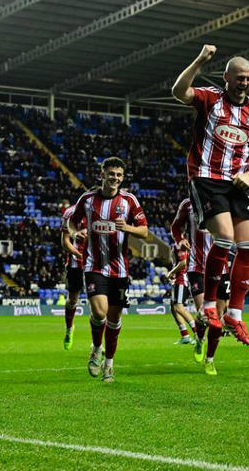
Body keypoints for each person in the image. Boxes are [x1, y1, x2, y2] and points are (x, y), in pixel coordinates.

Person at [172, 45, 249, 376]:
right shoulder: (210, 98)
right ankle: (211, 309)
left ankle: (234, 314)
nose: (244, 83)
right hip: (206, 178)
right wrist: (200, 61)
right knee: (226, 238)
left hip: (238, 183)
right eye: (239, 77)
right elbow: (178, 92)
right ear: (226, 77)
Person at [69, 157, 148, 383]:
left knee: (114, 319)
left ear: (122, 178)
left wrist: (129, 227)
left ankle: (109, 364)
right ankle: (96, 348)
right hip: (94, 264)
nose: (115, 178)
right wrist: (75, 233)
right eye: (111, 173)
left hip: (120, 270)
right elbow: (72, 222)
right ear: (102, 174)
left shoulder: (129, 201)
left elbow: (144, 231)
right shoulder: (87, 199)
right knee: (99, 312)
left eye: (119, 175)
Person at [170, 197, 232, 366]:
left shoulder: (224, 201)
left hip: (221, 267)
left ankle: (210, 358)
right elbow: (175, 227)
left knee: (218, 317)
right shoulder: (187, 204)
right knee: (204, 314)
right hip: (196, 266)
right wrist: (179, 239)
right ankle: (199, 339)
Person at [60, 201, 87, 350]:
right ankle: (69, 329)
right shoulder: (70, 213)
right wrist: (78, 254)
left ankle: (98, 344)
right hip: (75, 264)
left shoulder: (102, 214)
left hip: (96, 264)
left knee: (99, 303)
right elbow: (65, 241)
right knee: (72, 300)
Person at [165, 244, 196, 345]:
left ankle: (198, 334)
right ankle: (185, 335)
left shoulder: (180, 244)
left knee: (178, 307)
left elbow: (183, 262)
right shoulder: (179, 243)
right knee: (173, 309)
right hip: (177, 279)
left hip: (181, 279)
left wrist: (170, 272)